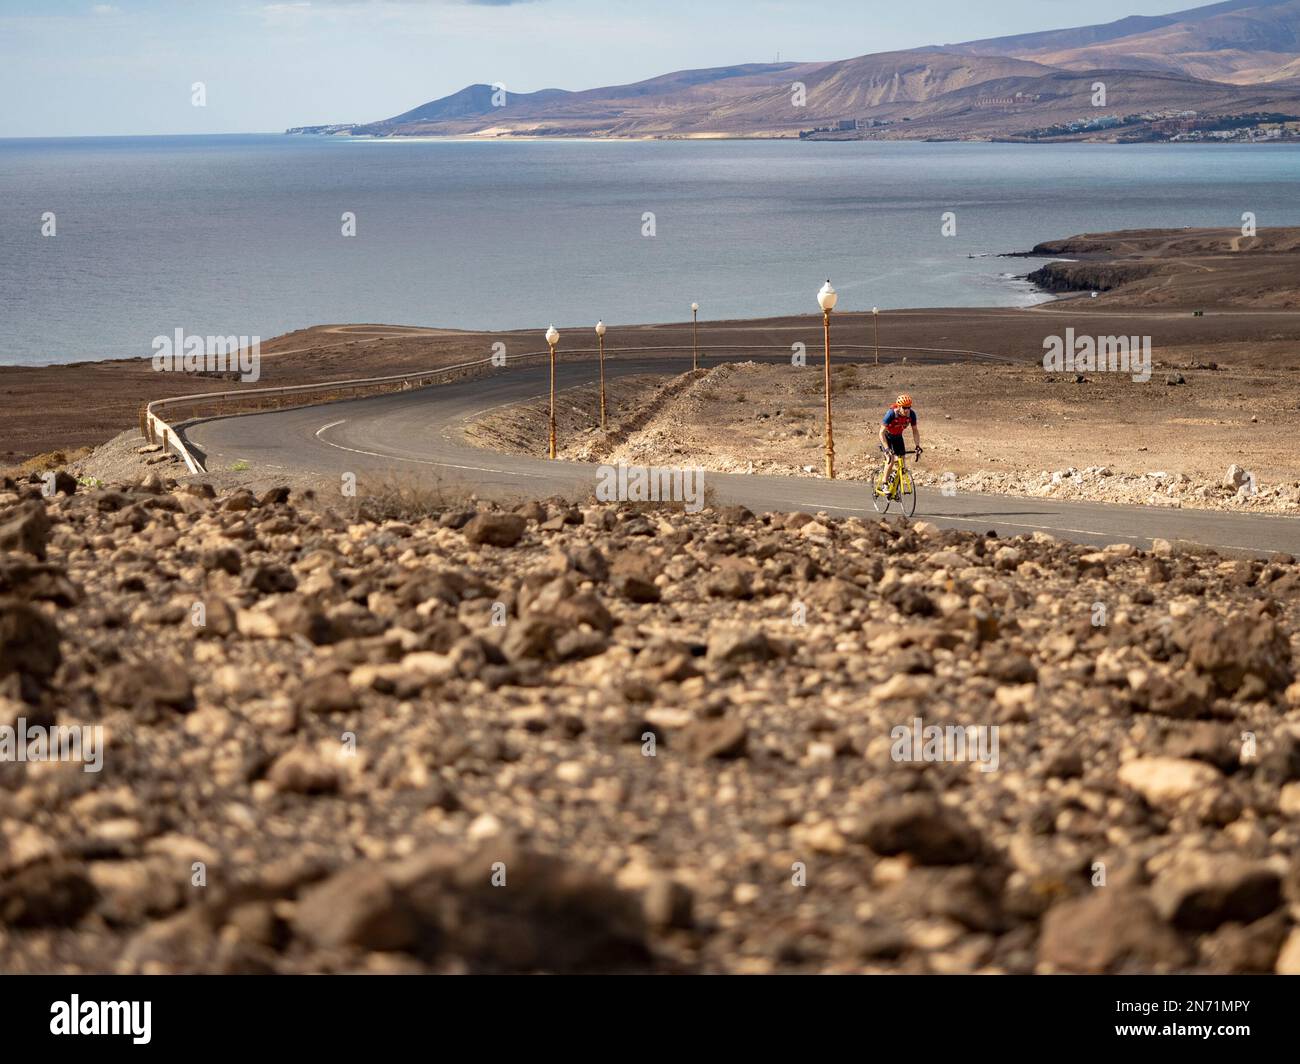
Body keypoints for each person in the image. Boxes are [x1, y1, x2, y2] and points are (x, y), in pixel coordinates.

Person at [878, 393, 922, 485]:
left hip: (898, 437)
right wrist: (887, 449)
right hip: (887, 437)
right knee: (891, 460)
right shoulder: (891, 414)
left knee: (902, 464)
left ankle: (896, 484)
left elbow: (915, 430)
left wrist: (917, 446)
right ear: (899, 406)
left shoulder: (912, 414)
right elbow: (881, 432)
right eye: (904, 407)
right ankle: (884, 483)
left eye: (908, 407)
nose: (906, 410)